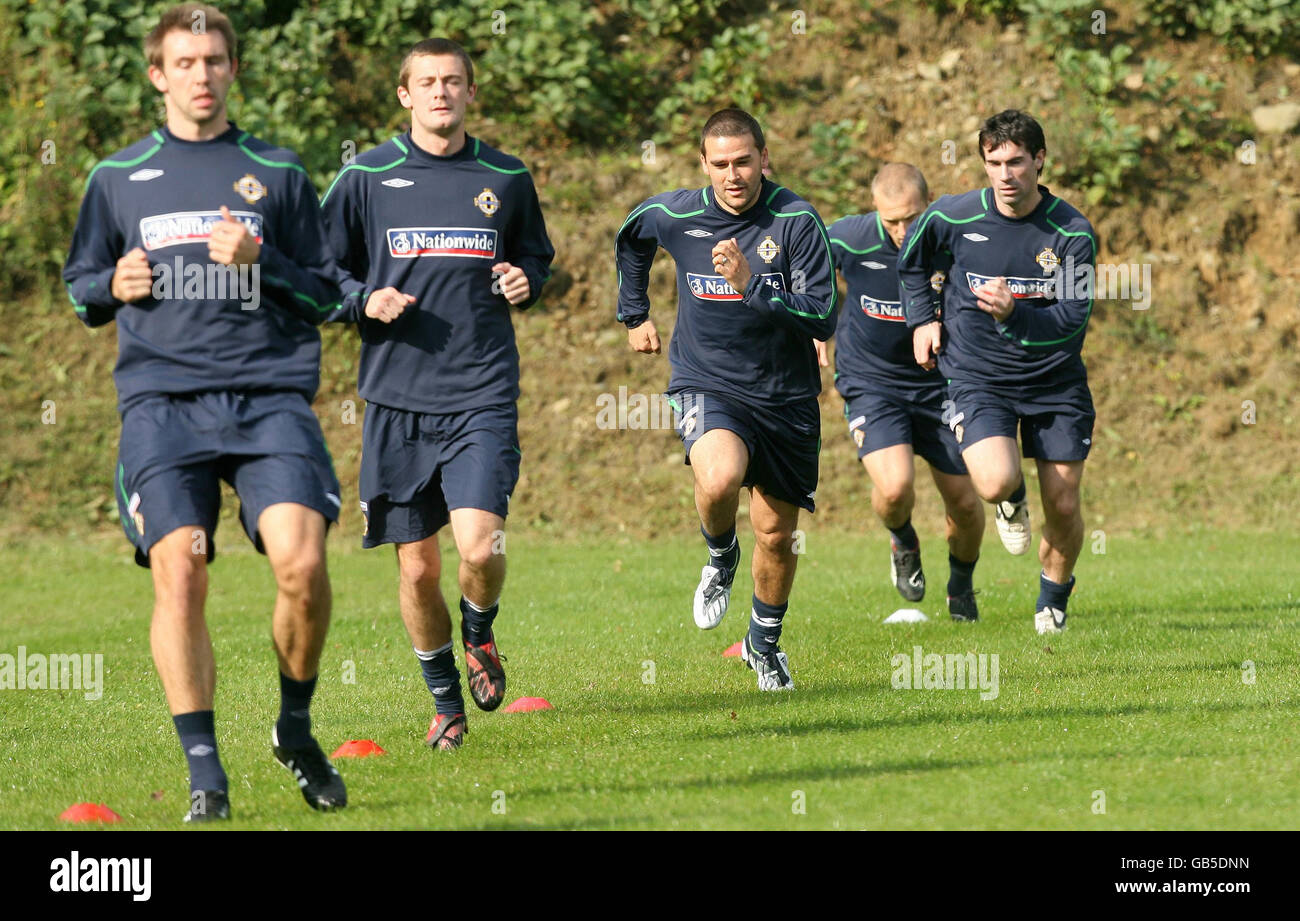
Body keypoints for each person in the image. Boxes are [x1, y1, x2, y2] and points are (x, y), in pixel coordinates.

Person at [63, 2, 346, 822]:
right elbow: (81, 284)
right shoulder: (117, 177)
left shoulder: (279, 171)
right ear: (159, 75)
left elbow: (328, 295)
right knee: (180, 569)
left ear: (232, 70)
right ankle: (206, 774)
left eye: (215, 61)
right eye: (185, 62)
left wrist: (264, 262)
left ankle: (294, 730)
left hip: (268, 399)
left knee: (301, 564)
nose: (201, 75)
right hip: (163, 404)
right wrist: (109, 287)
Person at [320, 39, 554, 749]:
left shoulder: (505, 177)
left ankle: (479, 633)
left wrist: (526, 282)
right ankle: (445, 701)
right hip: (395, 399)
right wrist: (363, 299)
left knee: (479, 548)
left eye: (453, 82)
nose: (441, 93)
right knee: (418, 565)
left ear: (471, 94)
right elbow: (317, 270)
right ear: (405, 95)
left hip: (481, 391)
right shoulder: (365, 176)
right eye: (427, 82)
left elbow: (535, 256)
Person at [615, 108, 836, 691]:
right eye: (721, 164)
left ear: (764, 159)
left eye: (743, 162)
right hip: (706, 381)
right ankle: (720, 557)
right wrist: (634, 313)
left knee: (776, 533)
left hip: (786, 396)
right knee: (717, 479)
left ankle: (764, 643)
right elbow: (631, 237)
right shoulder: (677, 213)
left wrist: (753, 286)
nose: (732, 174)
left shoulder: (796, 221)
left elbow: (822, 313)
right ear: (704, 164)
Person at [900, 109, 1097, 634]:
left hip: (1054, 381)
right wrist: (923, 319)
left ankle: (1053, 598)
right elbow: (913, 265)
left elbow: (1070, 324)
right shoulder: (953, 215)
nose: (1005, 175)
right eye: (994, 163)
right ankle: (1010, 501)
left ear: (1039, 160)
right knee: (993, 481)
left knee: (1062, 502)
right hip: (977, 376)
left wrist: (1015, 313)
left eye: (1015, 162)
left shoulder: (1071, 231)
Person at [824, 163, 984, 621]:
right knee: (894, 489)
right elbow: (804, 272)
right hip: (873, 384)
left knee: (967, 504)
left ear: (929, 203)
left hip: (943, 385)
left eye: (910, 218)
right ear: (874, 210)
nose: (900, 230)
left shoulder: (951, 241)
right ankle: (903, 539)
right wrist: (815, 325)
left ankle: (961, 584)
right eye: (890, 220)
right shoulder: (849, 238)